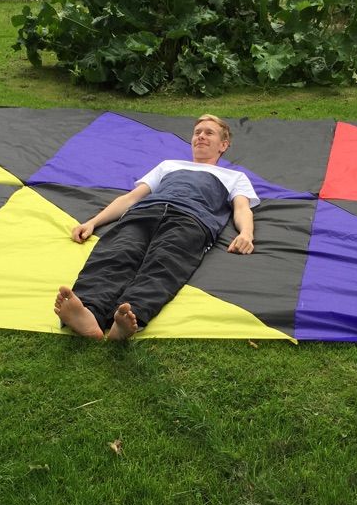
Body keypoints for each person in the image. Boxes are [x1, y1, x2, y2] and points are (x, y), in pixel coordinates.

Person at [54, 114, 259, 340]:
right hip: (144, 212)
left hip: (191, 219)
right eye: (197, 132)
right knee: (116, 253)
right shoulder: (169, 165)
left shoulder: (234, 177)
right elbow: (131, 198)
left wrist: (246, 234)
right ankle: (89, 313)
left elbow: (242, 209)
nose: (200, 136)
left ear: (223, 145)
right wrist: (93, 222)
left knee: (165, 262)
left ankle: (129, 317)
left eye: (209, 133)